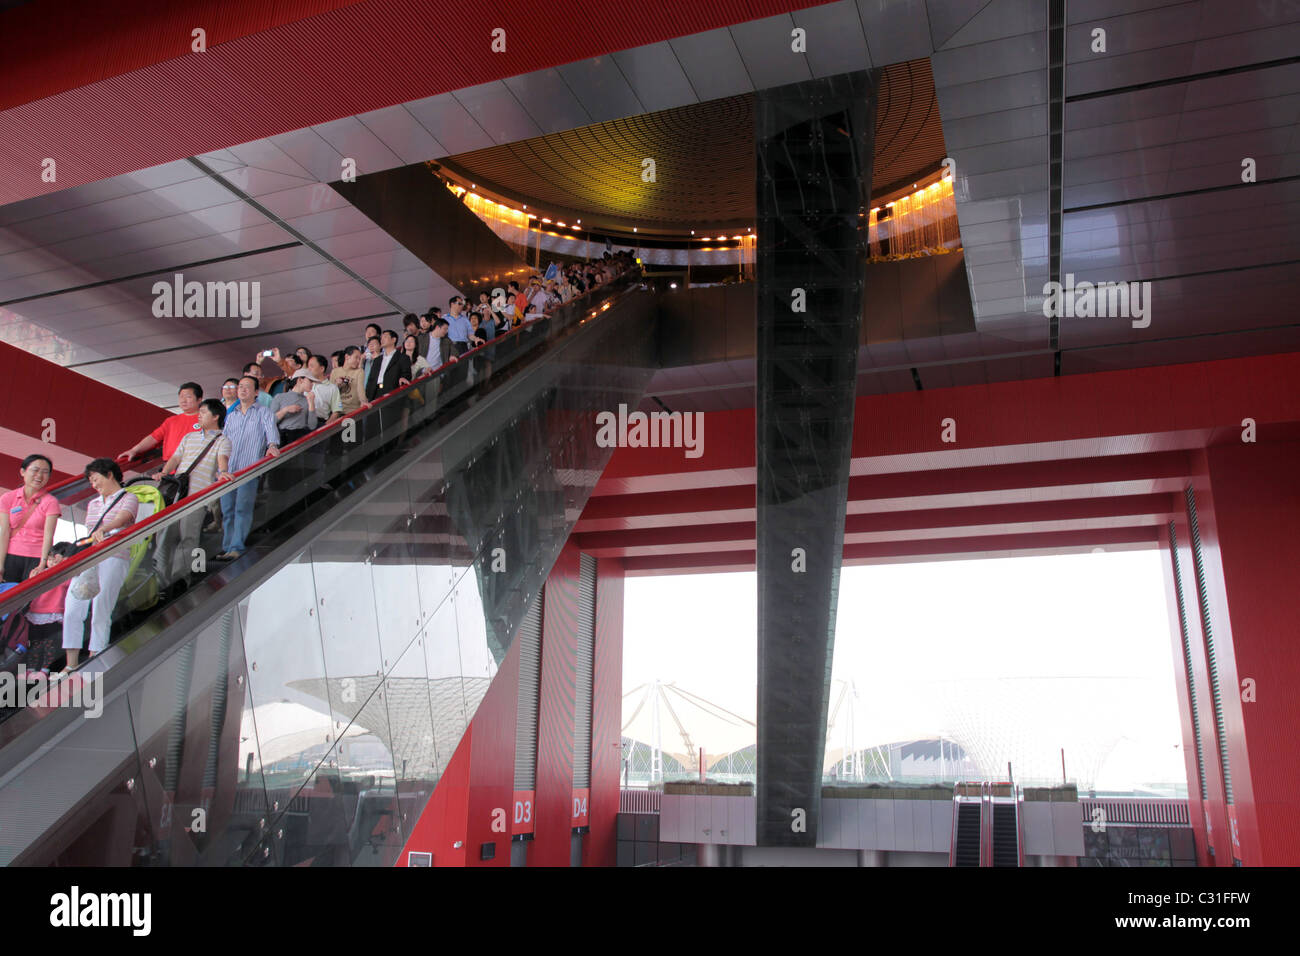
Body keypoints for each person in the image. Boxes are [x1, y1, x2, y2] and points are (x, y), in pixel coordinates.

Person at [62, 458, 138, 669]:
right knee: (73, 607)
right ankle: (71, 664)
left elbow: (124, 518)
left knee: (101, 608)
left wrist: (104, 529)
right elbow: (90, 532)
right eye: (91, 482)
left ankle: (95, 659)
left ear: (110, 474)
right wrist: (99, 532)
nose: (94, 486)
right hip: (91, 557)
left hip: (115, 556)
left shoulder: (129, 497)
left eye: (96, 480)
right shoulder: (93, 503)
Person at [151, 399, 232, 592]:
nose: (199, 415)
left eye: (203, 412)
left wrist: (222, 472)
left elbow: (222, 460)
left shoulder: (223, 440)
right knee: (164, 537)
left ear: (215, 416)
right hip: (177, 495)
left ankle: (179, 581)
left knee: (188, 538)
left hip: (197, 498)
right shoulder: (189, 437)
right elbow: (176, 458)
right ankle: (160, 582)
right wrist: (164, 472)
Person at [217, 376, 280, 561]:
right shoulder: (232, 414)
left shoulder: (264, 412)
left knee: (242, 509)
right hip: (227, 471)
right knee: (227, 511)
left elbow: (272, 434)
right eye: (240, 387)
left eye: (247, 387)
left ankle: (236, 547)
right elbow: (222, 442)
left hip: (248, 471)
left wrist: (272, 445)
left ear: (256, 392)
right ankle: (226, 547)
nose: (242, 390)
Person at [0, 454, 60, 583]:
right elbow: (4, 532)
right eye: (35, 470)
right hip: (10, 556)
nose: (39, 476)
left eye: (45, 472)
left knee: (27, 601)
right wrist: (0, 565)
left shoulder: (51, 502)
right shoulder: (7, 498)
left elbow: (48, 536)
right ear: (23, 472)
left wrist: (42, 564)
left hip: (36, 558)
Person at [21, 540, 74, 676]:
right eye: (50, 560)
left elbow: (67, 586)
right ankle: (31, 668)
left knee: (50, 644)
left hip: (54, 614)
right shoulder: (40, 572)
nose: (52, 564)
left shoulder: (66, 576)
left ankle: (44, 668)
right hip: (35, 613)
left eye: (56, 561)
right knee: (34, 643)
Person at [117, 382, 204, 464]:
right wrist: (134, 450)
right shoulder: (171, 421)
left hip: (195, 469)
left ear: (199, 400)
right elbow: (153, 438)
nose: (183, 400)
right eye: (181, 397)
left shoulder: (206, 419)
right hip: (170, 469)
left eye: (188, 397)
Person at [329, 346, 367, 417]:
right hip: (337, 412)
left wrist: (363, 401)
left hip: (353, 412)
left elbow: (360, 390)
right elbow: (330, 393)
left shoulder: (359, 371)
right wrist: (336, 384)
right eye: (356, 357)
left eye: (359, 358)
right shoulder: (335, 371)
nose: (358, 361)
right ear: (347, 357)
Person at [307, 355, 343, 423]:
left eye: (311, 366)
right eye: (308, 366)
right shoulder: (305, 384)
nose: (308, 369)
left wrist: (325, 426)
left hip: (320, 422)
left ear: (322, 369)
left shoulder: (332, 388)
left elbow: (337, 411)